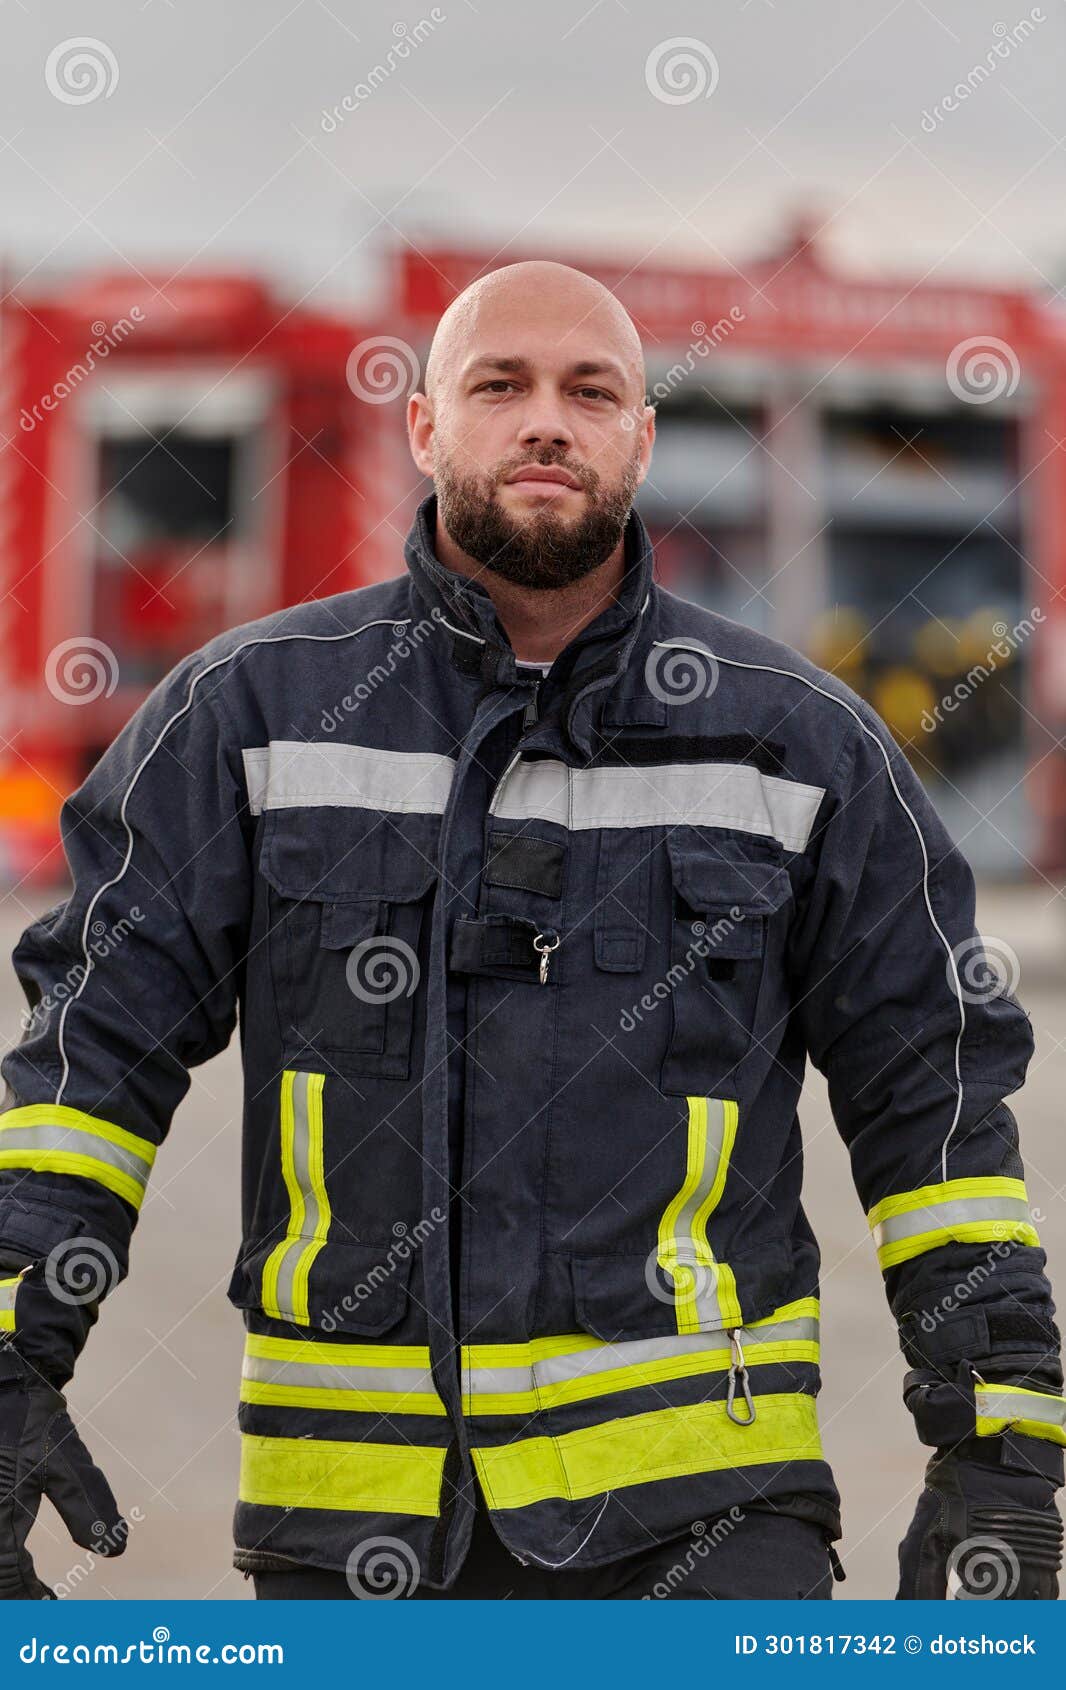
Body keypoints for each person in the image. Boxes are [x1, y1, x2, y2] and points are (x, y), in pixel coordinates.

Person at [0, 262, 1061, 1602]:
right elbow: (86, 1065)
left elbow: (940, 1108)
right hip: (359, 1537)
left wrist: (1001, 1451)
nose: (546, 420)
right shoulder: (251, 718)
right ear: (425, 425)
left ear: (641, 438)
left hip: (710, 1528)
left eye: (590, 390)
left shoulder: (801, 746)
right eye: (499, 385)